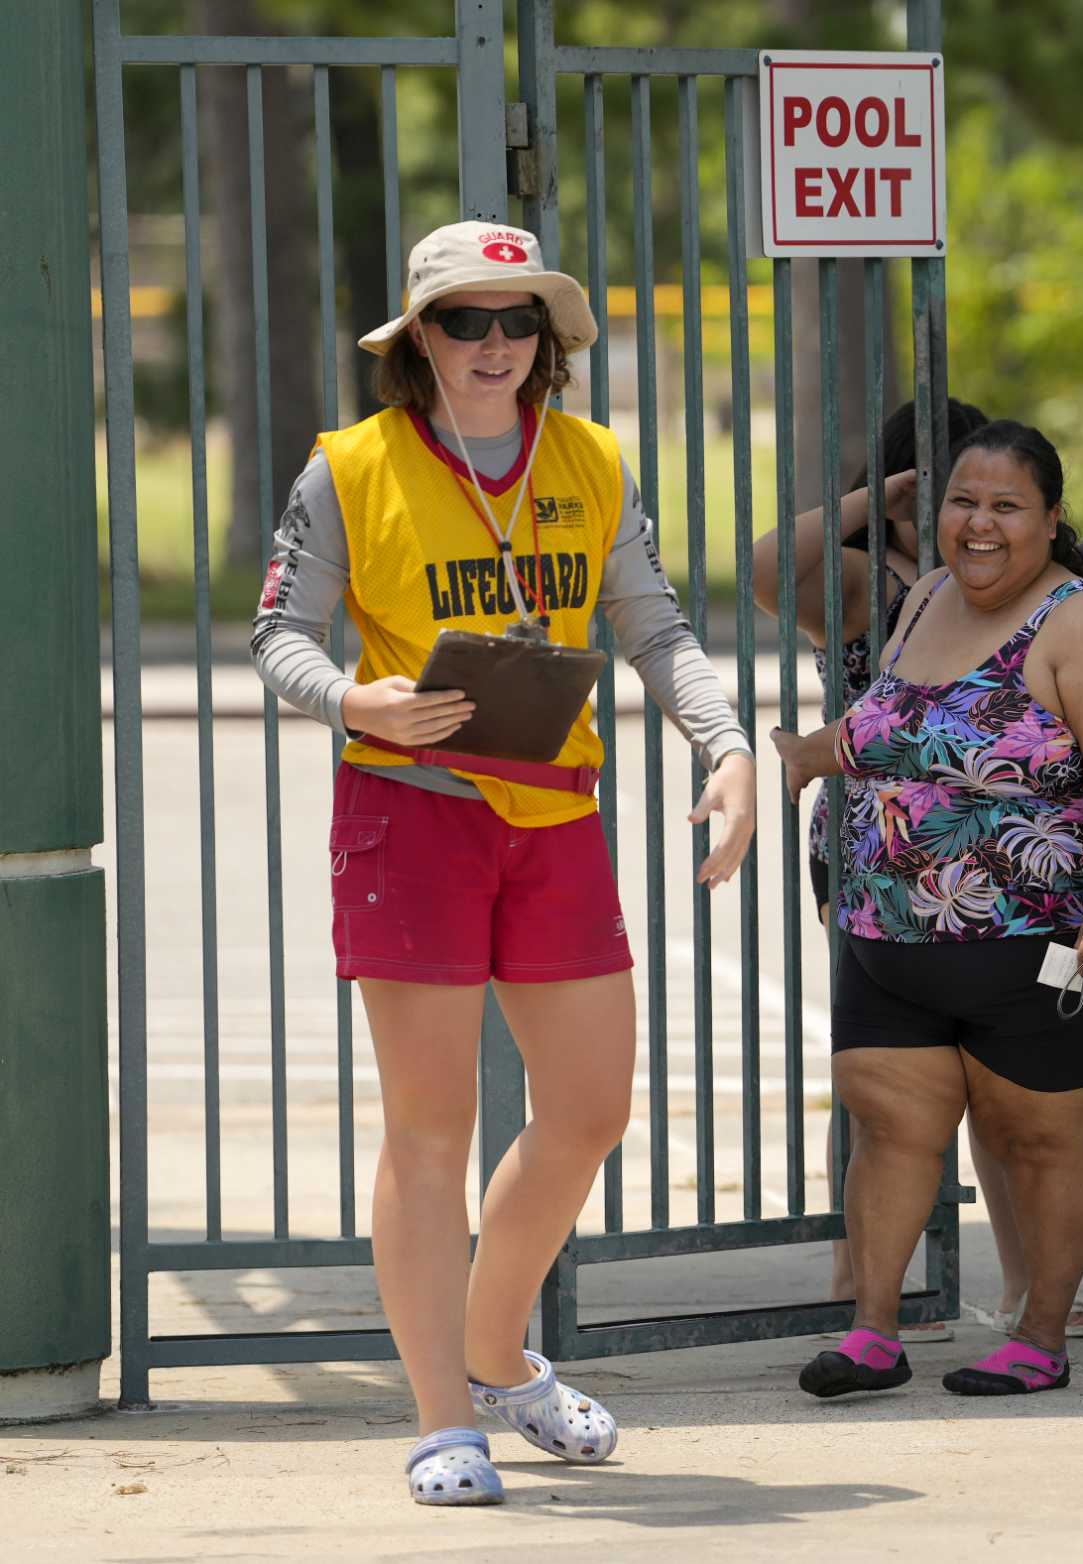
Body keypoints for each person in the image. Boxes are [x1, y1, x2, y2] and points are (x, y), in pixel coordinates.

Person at [251, 221, 756, 1504]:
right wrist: (354, 700)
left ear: (550, 340)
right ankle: (441, 1417)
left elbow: (654, 623)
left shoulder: (589, 459)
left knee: (589, 1110)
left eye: (515, 320)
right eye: (463, 319)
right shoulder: (346, 468)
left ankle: (494, 1354)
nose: (491, 344)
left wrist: (729, 741)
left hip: (554, 812)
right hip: (408, 811)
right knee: (431, 1130)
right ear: (416, 337)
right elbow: (279, 635)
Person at [770, 421, 1083, 1397]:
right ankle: (872, 1332)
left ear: (1049, 521)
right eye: (961, 501)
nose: (978, 524)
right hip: (892, 934)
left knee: (1039, 1137)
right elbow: (886, 728)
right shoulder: (928, 599)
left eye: (1004, 506)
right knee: (888, 1124)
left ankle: (1037, 1337)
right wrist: (794, 761)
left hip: (1041, 937)